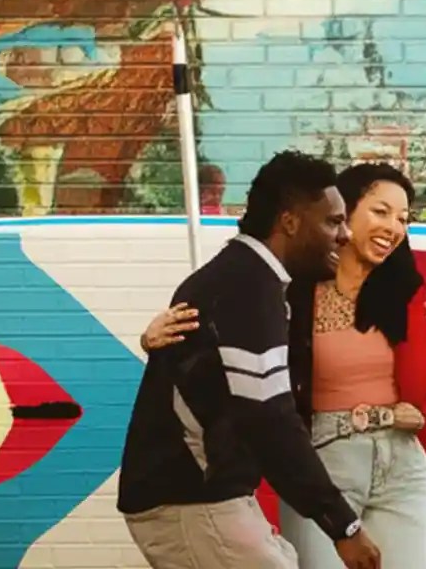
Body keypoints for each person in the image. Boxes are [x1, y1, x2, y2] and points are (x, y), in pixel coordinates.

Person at [142, 161, 426, 569]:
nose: (393, 227)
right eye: (380, 211)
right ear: (343, 212)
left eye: (403, 219)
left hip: (403, 467)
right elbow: (228, 355)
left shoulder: (413, 296)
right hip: (323, 459)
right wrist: (154, 342)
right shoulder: (290, 291)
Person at [117, 151, 382, 569]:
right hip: (192, 500)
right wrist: (342, 525)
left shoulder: (246, 280)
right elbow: (269, 417)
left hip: (200, 498)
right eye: (333, 220)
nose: (345, 234)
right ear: (290, 221)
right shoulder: (247, 288)